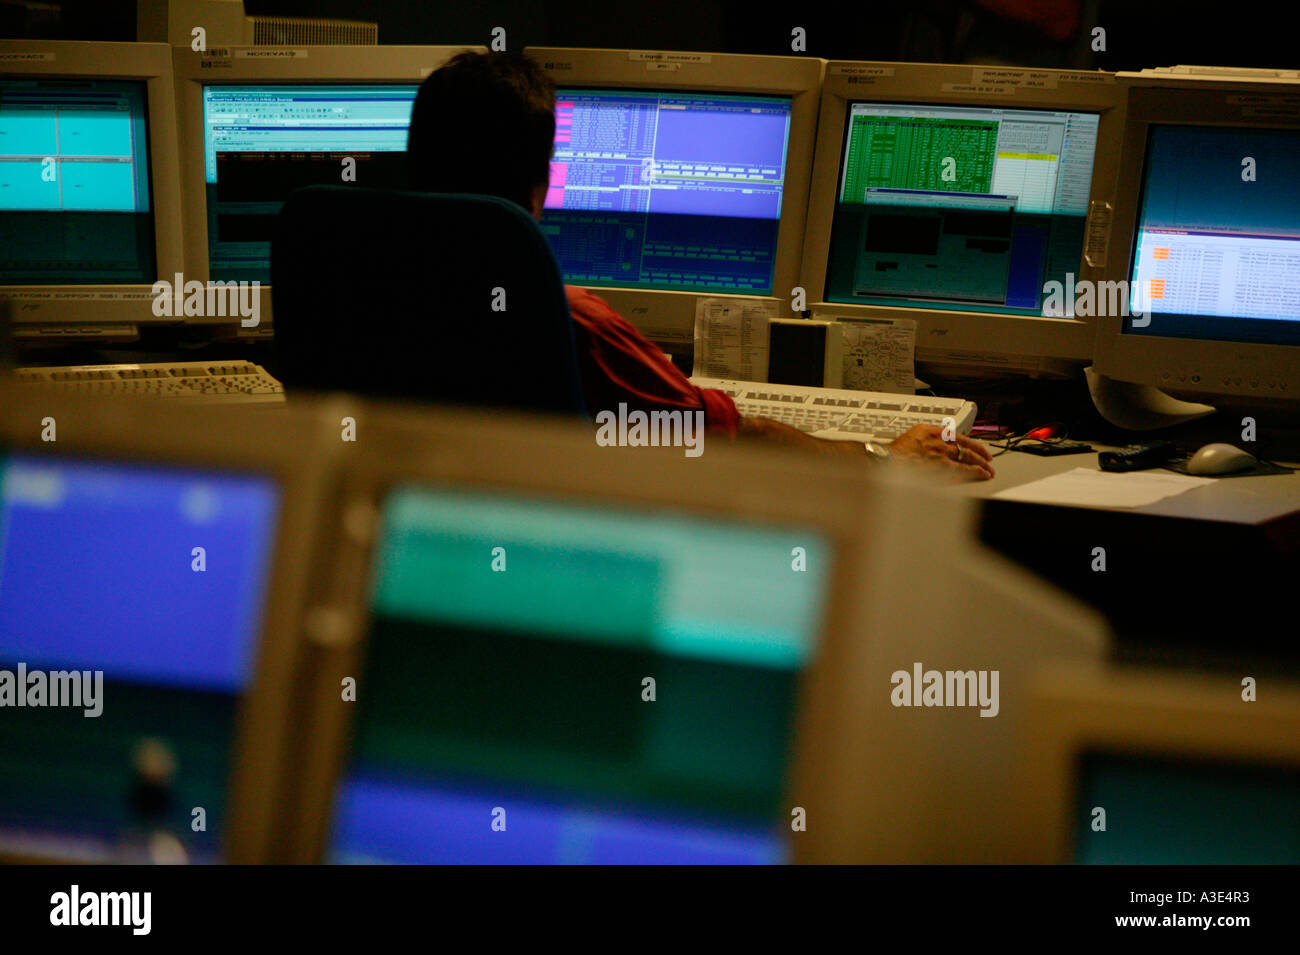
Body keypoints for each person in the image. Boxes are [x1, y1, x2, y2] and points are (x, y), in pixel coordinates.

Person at [407, 51, 994, 480]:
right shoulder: (572, 322)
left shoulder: (376, 294)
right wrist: (886, 456)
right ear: (541, 186)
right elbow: (721, 434)